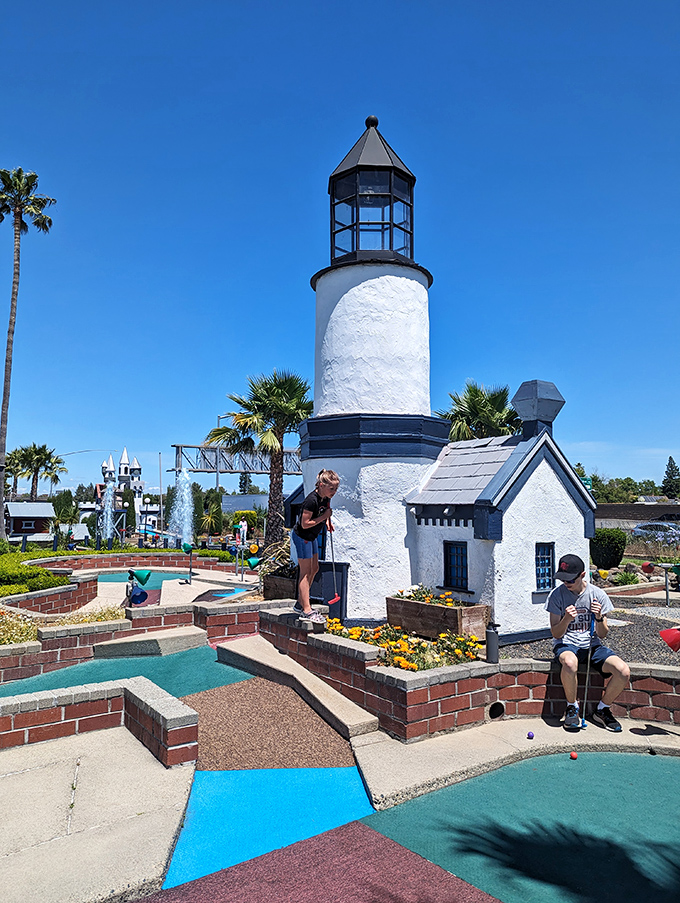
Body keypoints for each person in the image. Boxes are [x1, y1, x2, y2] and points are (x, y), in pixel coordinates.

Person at [546, 553, 630, 732]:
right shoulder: (556, 596)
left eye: (570, 580)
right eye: (563, 579)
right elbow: (556, 632)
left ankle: (602, 709)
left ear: (583, 575)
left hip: (592, 645)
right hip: (567, 644)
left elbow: (603, 634)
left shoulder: (597, 595)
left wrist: (599, 617)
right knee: (569, 663)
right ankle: (572, 707)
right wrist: (566, 619)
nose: (566, 584)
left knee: (623, 671)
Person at [291, 469, 340, 622]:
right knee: (305, 573)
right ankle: (306, 609)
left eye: (336, 489)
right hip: (303, 537)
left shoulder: (325, 498)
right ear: (321, 485)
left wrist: (326, 521)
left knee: (315, 568)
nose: (334, 492)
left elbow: (321, 514)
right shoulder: (311, 500)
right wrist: (324, 517)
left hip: (312, 537)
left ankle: (301, 602)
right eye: (331, 488)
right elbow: (305, 524)